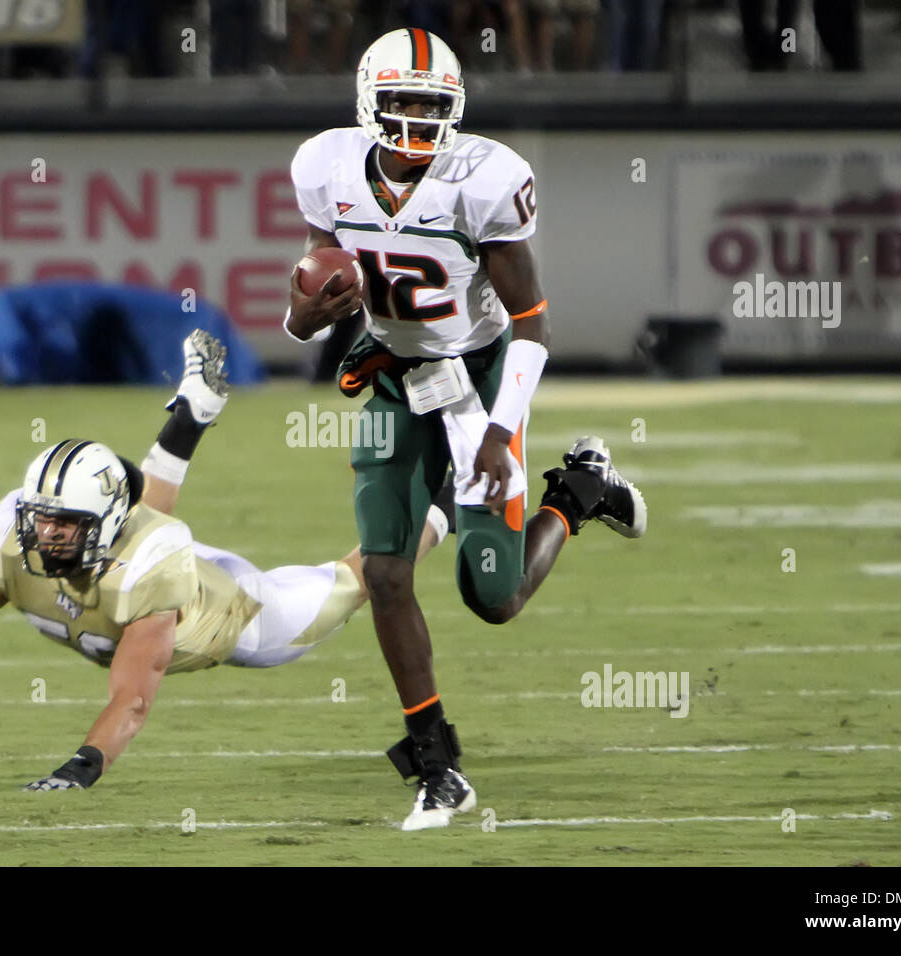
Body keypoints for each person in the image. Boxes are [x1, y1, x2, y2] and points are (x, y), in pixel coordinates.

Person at [0, 332, 450, 792]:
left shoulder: (147, 565)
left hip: (233, 612)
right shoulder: (17, 540)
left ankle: (451, 499)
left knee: (357, 580)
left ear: (98, 524)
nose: (48, 534)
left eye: (66, 524)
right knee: (140, 531)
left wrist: (81, 767)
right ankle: (191, 415)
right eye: (43, 518)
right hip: (140, 558)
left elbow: (132, 697)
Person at [285, 28, 647, 829]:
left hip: (480, 378)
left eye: (430, 105)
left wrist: (497, 430)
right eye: (401, 102)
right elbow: (315, 299)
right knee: (383, 572)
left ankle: (582, 490)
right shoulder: (327, 167)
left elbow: (532, 325)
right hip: (393, 371)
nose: (415, 120)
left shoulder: (485, 178)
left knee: (494, 594)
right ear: (368, 101)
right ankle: (436, 763)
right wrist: (301, 317)